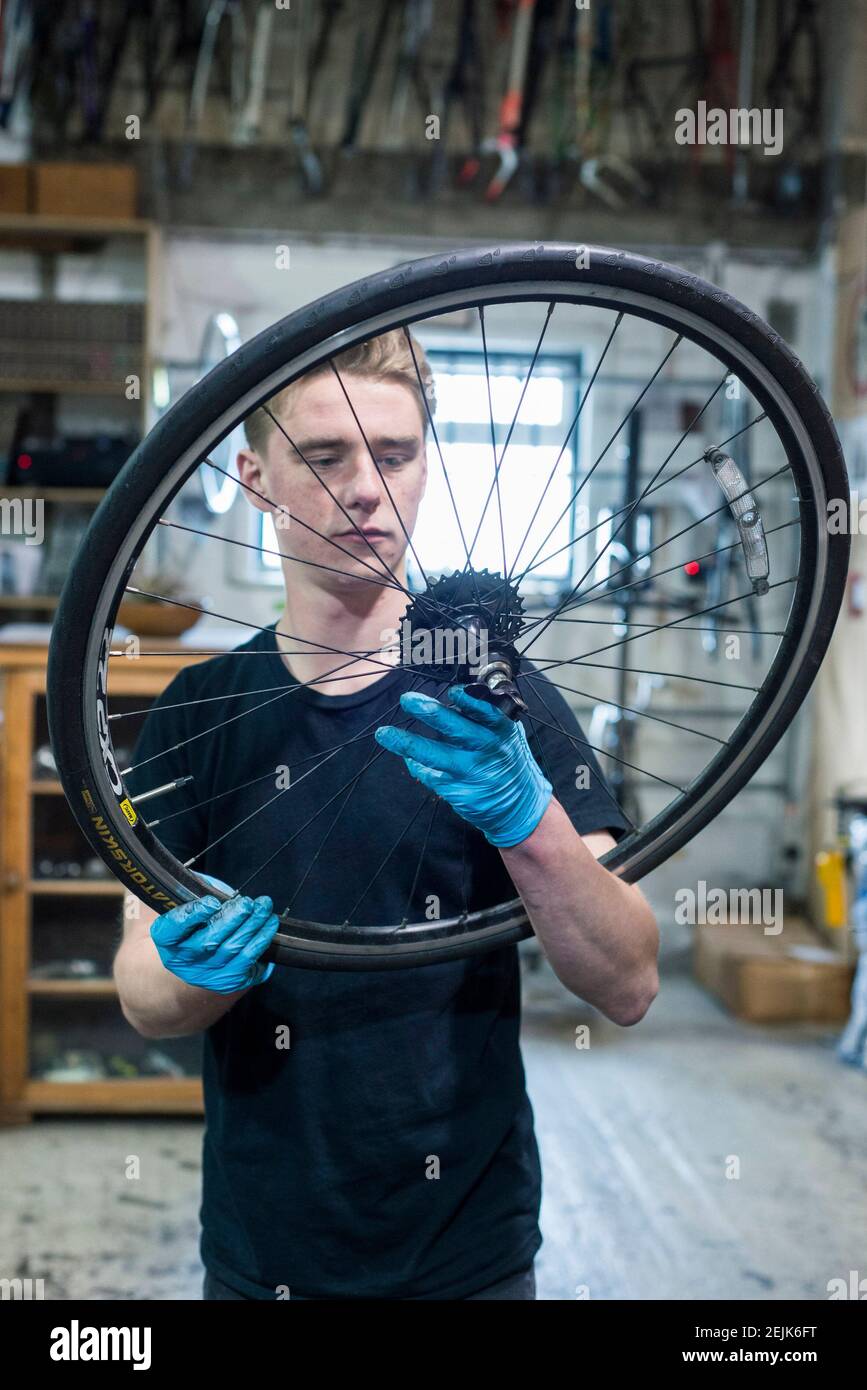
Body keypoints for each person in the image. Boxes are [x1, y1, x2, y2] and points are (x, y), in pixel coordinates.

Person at [115, 328, 659, 1301]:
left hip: (470, 1253)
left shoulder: (504, 701)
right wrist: (194, 975)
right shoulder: (196, 712)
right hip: (265, 1251)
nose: (365, 487)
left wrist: (528, 818)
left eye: (396, 455)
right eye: (325, 457)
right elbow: (143, 995)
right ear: (254, 477)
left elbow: (625, 981)